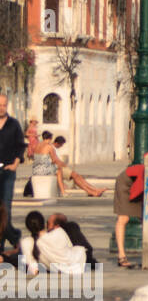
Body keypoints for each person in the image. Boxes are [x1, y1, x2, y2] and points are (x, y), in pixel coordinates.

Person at [20, 210, 93, 275]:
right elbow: (70, 247)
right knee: (72, 226)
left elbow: (33, 269)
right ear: (44, 223)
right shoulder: (59, 232)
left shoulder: (27, 242)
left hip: (56, 268)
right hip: (78, 263)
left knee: (19, 257)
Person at [0, 94, 25, 251]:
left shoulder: (14, 124)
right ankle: (8, 240)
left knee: (6, 208)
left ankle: (13, 236)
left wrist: (15, 164)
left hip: (8, 171)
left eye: (4, 105)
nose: (1, 108)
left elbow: (21, 146)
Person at [111, 163, 144, 269]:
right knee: (123, 218)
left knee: (147, 219)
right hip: (126, 182)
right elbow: (137, 189)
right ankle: (121, 256)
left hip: (138, 184)